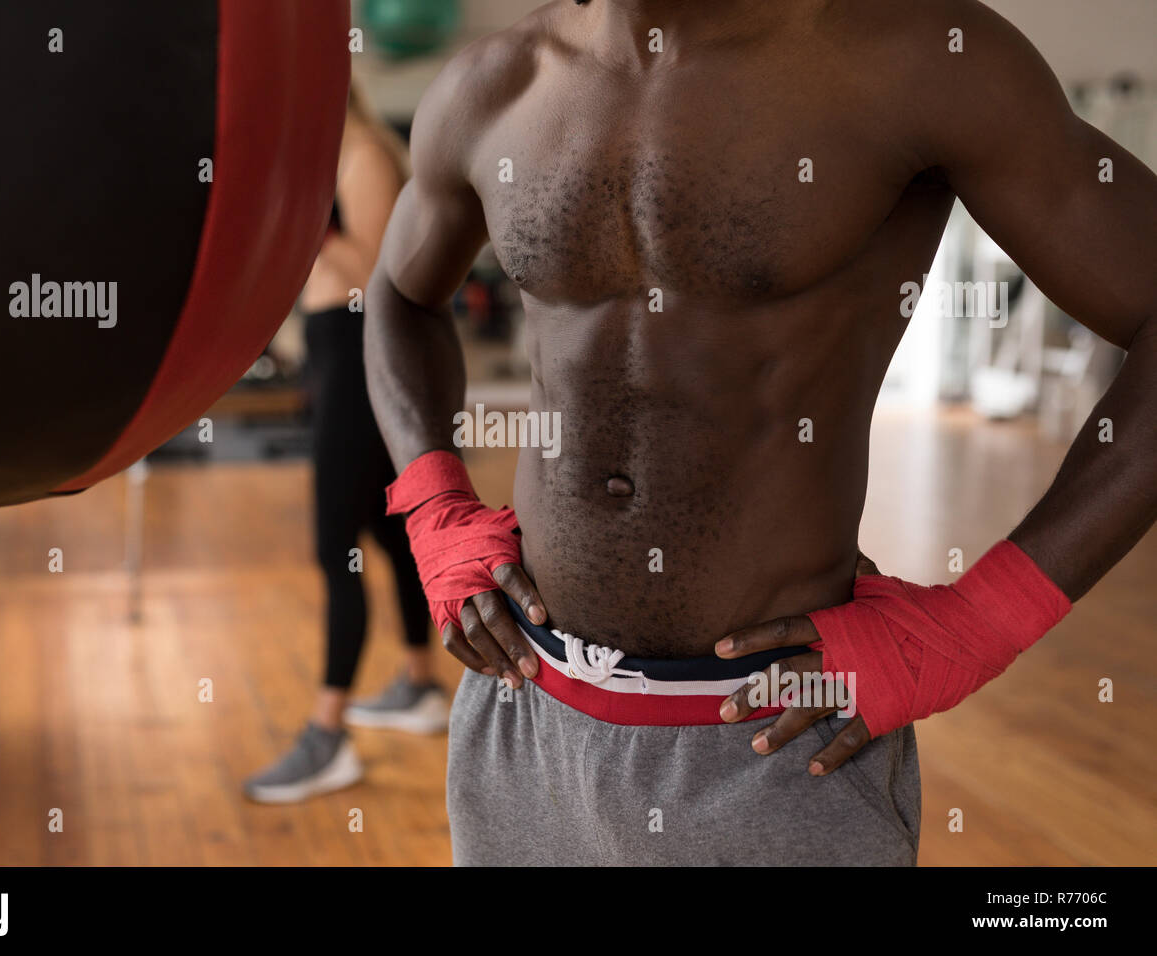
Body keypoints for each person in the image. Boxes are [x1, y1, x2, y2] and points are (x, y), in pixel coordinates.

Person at [363, 0, 1157, 864]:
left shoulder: (916, 56)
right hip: (524, 712)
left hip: (779, 742)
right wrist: (435, 509)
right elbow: (400, 298)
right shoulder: (494, 84)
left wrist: (982, 621)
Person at [245, 79, 446, 805]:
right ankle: (422, 685)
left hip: (364, 360)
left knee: (338, 549)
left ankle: (328, 735)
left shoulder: (361, 156)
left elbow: (378, 278)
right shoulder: (329, 161)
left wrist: (309, 225)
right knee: (391, 535)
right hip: (335, 357)